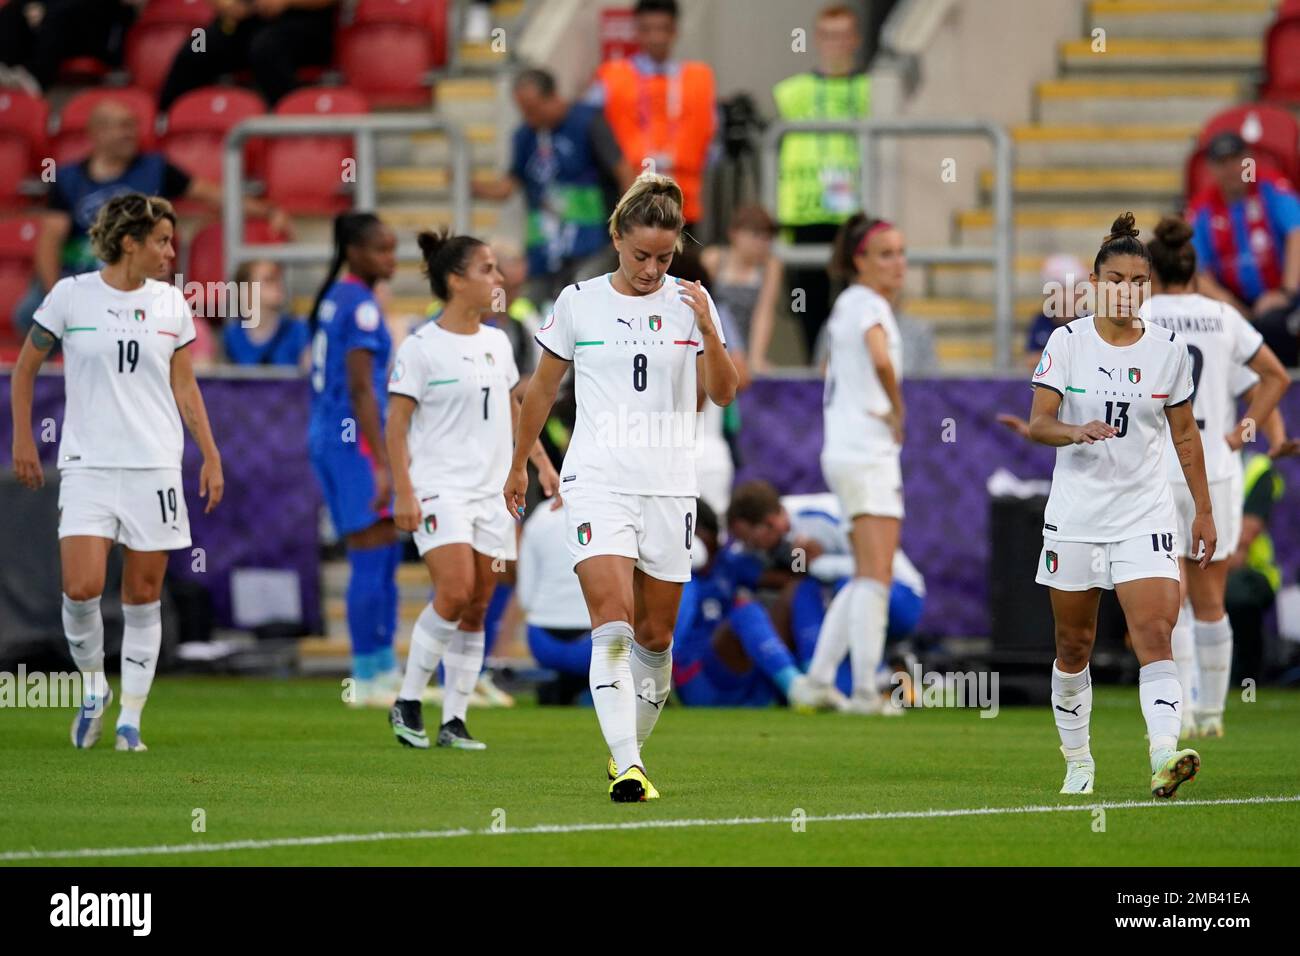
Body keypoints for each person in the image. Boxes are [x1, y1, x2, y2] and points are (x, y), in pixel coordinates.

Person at [505, 173, 738, 802]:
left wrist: (710, 334)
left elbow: (723, 392)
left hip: (668, 483)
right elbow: (541, 388)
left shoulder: (693, 302)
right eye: (641, 256)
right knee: (612, 622)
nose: (651, 269)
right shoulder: (578, 301)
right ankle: (629, 764)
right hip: (598, 477)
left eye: (665, 257)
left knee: (656, 639)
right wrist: (520, 461)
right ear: (616, 237)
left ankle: (625, 754)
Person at [9, 193, 224, 751]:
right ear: (130, 243)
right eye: (161, 241)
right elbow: (25, 368)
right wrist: (24, 436)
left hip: (155, 466)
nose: (170, 251)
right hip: (88, 466)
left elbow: (185, 386)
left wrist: (211, 453)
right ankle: (91, 688)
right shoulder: (70, 297)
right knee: (80, 589)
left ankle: (130, 718)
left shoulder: (171, 305)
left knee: (142, 595)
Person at [1028, 211, 1214, 799]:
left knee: (1155, 632)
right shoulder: (1067, 342)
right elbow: (1038, 424)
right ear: (1094, 282)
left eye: (1140, 281)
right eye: (1118, 280)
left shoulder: (1168, 351)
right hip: (1078, 515)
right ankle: (1078, 761)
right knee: (1073, 645)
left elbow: (1185, 435)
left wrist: (1204, 512)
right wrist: (1074, 430)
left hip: (1144, 514)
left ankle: (1165, 755)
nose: (1129, 291)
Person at [385, 230, 560, 750]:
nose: (499, 278)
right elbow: (396, 425)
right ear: (456, 280)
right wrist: (403, 492)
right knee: (455, 591)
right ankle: (409, 700)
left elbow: (512, 409)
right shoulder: (421, 347)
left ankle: (454, 719)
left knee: (479, 603)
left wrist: (541, 464)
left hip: (492, 491)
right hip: (440, 487)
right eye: (487, 269)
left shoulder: (497, 342)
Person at [1139, 215, 1290, 738]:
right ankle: (1212, 714)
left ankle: (1176, 714)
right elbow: (1273, 377)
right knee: (1210, 599)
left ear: (1150, 272)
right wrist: (1245, 432)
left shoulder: (1140, 313)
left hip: (1156, 470)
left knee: (1167, 597)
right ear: (1195, 269)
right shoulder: (1223, 318)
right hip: (1215, 472)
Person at [14, 98, 286, 337]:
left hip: (139, 280)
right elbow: (49, 242)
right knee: (30, 312)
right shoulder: (67, 179)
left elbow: (212, 194)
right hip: (81, 278)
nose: (131, 133)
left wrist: (268, 210)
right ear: (96, 132)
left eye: (132, 125)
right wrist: (55, 299)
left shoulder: (155, 169)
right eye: (121, 126)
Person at [798, 212, 906, 714]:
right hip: (867, 449)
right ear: (859, 260)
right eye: (886, 254)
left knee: (866, 572)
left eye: (901, 253)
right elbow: (880, 358)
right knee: (878, 573)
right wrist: (897, 412)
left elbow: (830, 368)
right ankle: (867, 689)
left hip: (843, 447)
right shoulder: (868, 306)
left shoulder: (844, 304)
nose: (898, 264)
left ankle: (819, 679)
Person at [306, 211, 400, 708]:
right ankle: (366, 674)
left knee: (382, 547)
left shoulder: (336, 298)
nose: (392, 258)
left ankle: (383, 665)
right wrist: (384, 463)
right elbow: (362, 387)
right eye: (382, 249)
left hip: (335, 435)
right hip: (352, 441)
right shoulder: (360, 305)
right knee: (369, 551)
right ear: (356, 252)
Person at [724, 482, 926, 702]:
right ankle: (887, 676)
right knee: (805, 593)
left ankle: (877, 677)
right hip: (846, 599)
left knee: (838, 589)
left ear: (770, 524)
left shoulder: (824, 516)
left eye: (750, 539)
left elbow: (876, 568)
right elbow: (792, 573)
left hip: (902, 595)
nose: (747, 547)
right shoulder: (776, 538)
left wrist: (819, 564)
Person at [473, 68, 631, 306]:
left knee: (585, 301)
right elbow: (508, 187)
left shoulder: (588, 122)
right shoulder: (524, 136)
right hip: (543, 248)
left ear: (553, 97)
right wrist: (473, 187)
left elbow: (624, 172)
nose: (529, 117)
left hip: (590, 242)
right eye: (524, 111)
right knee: (536, 307)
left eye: (534, 109)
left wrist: (625, 225)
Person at [773, 3, 871, 359]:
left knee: (856, 299)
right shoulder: (792, 92)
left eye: (843, 35)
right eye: (829, 36)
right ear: (817, 39)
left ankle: (851, 367)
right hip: (807, 212)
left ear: (856, 40)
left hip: (856, 214)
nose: (836, 44)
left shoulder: (871, 90)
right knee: (807, 304)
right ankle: (815, 372)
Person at [587, 0, 716, 233]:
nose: (656, 38)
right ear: (636, 31)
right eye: (647, 29)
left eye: (663, 29)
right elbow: (589, 126)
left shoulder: (699, 78)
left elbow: (714, 137)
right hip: (630, 198)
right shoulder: (612, 76)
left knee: (680, 266)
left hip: (684, 200)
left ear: (675, 30)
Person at [1187, 132, 1300, 362]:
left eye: (1237, 160)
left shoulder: (1272, 188)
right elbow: (1197, 270)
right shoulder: (1200, 209)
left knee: (1273, 324)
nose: (1231, 169)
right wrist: (1230, 305)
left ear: (1249, 160)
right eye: (1222, 163)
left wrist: (1285, 292)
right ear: (1211, 168)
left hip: (1282, 298)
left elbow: (1296, 234)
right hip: (1232, 304)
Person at [158, 0, 340, 111]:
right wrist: (227, 4)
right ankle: (167, 123)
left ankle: (293, 121)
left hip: (303, 22)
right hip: (245, 23)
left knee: (265, 48)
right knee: (196, 49)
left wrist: (285, 1)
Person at [517, 498, 592, 697]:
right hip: (593, 645)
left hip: (543, 641)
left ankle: (562, 690)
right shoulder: (609, 508)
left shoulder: (539, 517)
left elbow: (525, 597)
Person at [700, 204, 783, 372]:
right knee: (720, 310)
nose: (762, 244)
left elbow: (764, 312)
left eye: (767, 238)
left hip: (746, 346)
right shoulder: (714, 259)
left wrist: (756, 358)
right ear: (735, 234)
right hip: (714, 341)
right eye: (756, 236)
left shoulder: (770, 266)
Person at [0, 0, 140, 93]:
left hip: (98, 32)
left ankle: (36, 78)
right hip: (61, 30)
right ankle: (6, 67)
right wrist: (34, 6)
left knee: (60, 12)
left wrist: (46, 10)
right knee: (13, 9)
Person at [222, 259, 310, 367]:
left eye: (279, 279)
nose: (278, 284)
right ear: (246, 290)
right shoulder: (233, 335)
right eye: (269, 280)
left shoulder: (299, 330)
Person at [1024, 254, 1089, 370]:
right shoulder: (1041, 321)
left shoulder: (1090, 321)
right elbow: (1031, 360)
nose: (1069, 295)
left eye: (1075, 288)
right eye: (1064, 288)